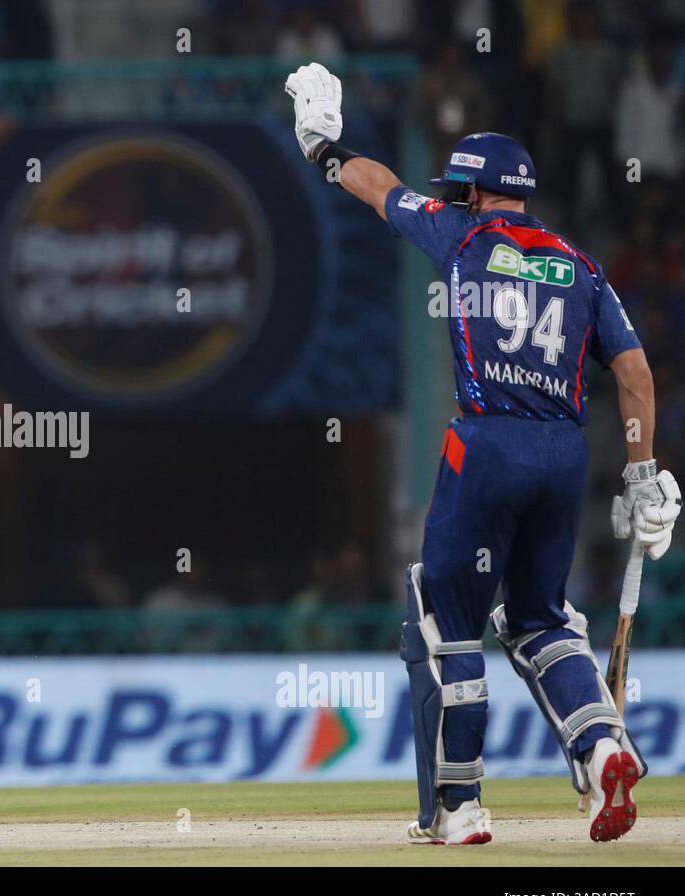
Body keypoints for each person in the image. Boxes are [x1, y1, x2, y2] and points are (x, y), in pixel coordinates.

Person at [285, 63, 681, 845]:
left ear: (468, 192)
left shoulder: (458, 233)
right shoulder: (581, 265)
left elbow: (378, 186)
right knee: (541, 621)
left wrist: (322, 148)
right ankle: (603, 748)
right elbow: (634, 373)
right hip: (564, 454)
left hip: (487, 446)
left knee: (445, 620)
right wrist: (641, 473)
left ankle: (457, 807)